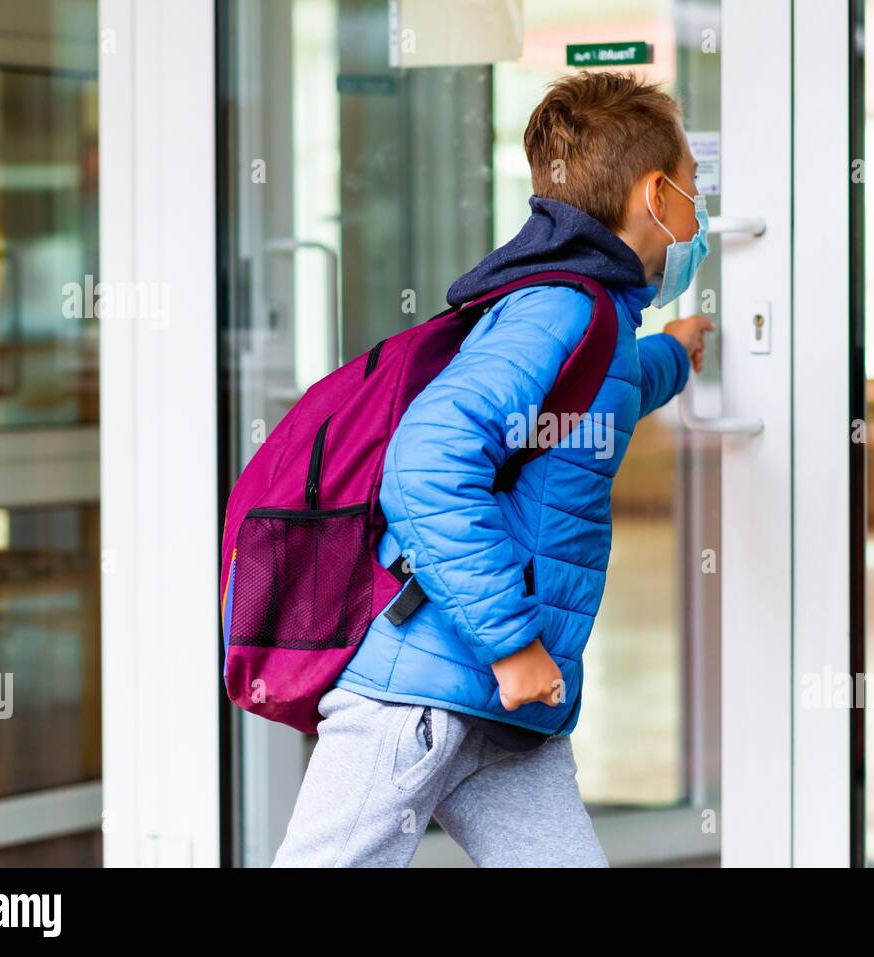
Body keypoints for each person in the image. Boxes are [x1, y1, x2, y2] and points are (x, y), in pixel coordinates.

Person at [272, 70, 714, 868]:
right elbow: (429, 462)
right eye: (692, 190)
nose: (698, 213)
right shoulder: (561, 307)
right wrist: (511, 643)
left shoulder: (596, 313)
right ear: (655, 195)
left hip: (500, 709)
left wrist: (673, 359)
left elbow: (589, 402)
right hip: (425, 682)